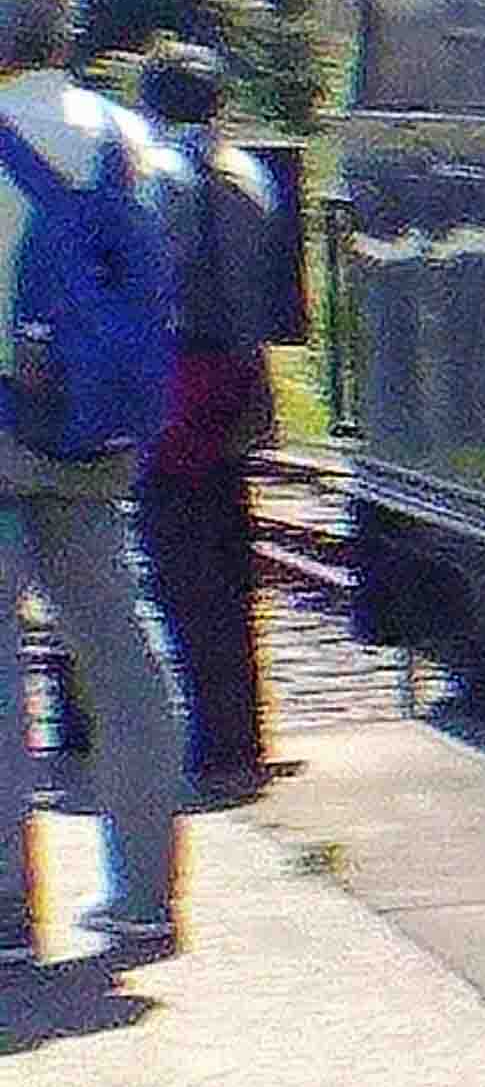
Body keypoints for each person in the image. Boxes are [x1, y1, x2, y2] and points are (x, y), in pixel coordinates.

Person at [0, 0, 191, 956]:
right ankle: (147, 891)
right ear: (67, 36)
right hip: (95, 429)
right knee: (120, 655)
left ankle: (3, 915)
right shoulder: (133, 141)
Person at [137, 40, 298, 798]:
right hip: (233, 383)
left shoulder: (159, 174)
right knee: (230, 564)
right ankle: (240, 730)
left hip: (175, 386)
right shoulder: (247, 174)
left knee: (174, 563)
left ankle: (199, 734)